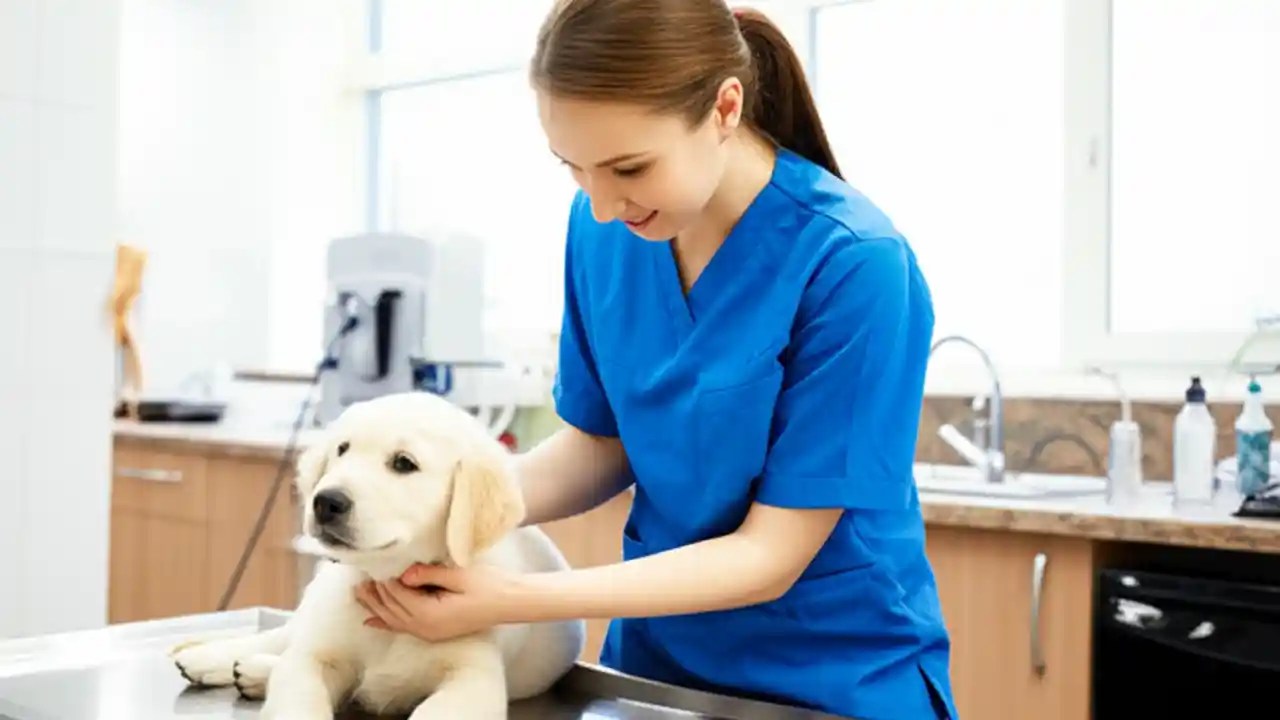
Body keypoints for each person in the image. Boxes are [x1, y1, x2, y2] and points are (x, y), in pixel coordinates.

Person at [354, 1, 956, 718]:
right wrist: (447, 511)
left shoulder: (855, 265)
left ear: (725, 108)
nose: (603, 204)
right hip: (658, 673)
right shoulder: (608, 226)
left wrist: (511, 598)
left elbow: (771, 554)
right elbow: (602, 444)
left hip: (831, 678)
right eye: (574, 168)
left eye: (629, 167)